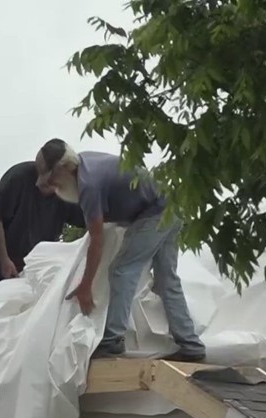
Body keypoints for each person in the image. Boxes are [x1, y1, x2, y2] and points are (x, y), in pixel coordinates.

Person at [33, 139, 205, 362]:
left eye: (52, 178)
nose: (52, 185)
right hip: (169, 206)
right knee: (166, 279)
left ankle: (112, 341)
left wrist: (86, 285)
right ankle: (191, 345)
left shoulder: (88, 185)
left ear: (66, 167)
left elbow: (97, 239)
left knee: (122, 271)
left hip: (156, 212)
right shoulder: (83, 164)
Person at [0, 160, 84, 300]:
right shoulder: (19, 177)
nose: (43, 186)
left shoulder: (66, 194)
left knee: (26, 296)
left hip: (27, 249)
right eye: (41, 183)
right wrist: (4, 260)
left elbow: (89, 221)